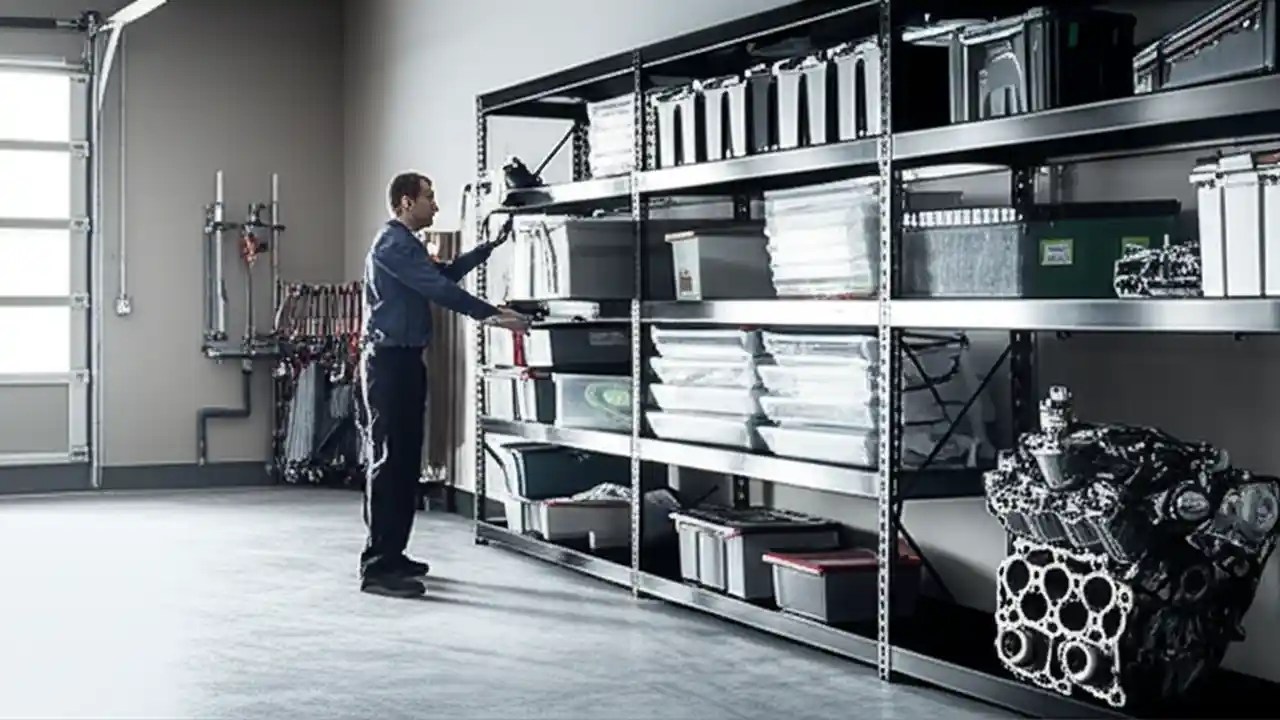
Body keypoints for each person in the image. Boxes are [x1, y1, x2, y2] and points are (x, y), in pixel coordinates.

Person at [358, 171, 529, 598]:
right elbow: (437, 288)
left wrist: (488, 248)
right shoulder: (392, 244)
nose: (435, 205)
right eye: (429, 197)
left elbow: (445, 274)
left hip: (405, 361)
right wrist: (491, 315)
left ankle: (394, 554)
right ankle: (378, 568)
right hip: (388, 363)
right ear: (405, 202)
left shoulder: (407, 244)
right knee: (391, 462)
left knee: (405, 461)